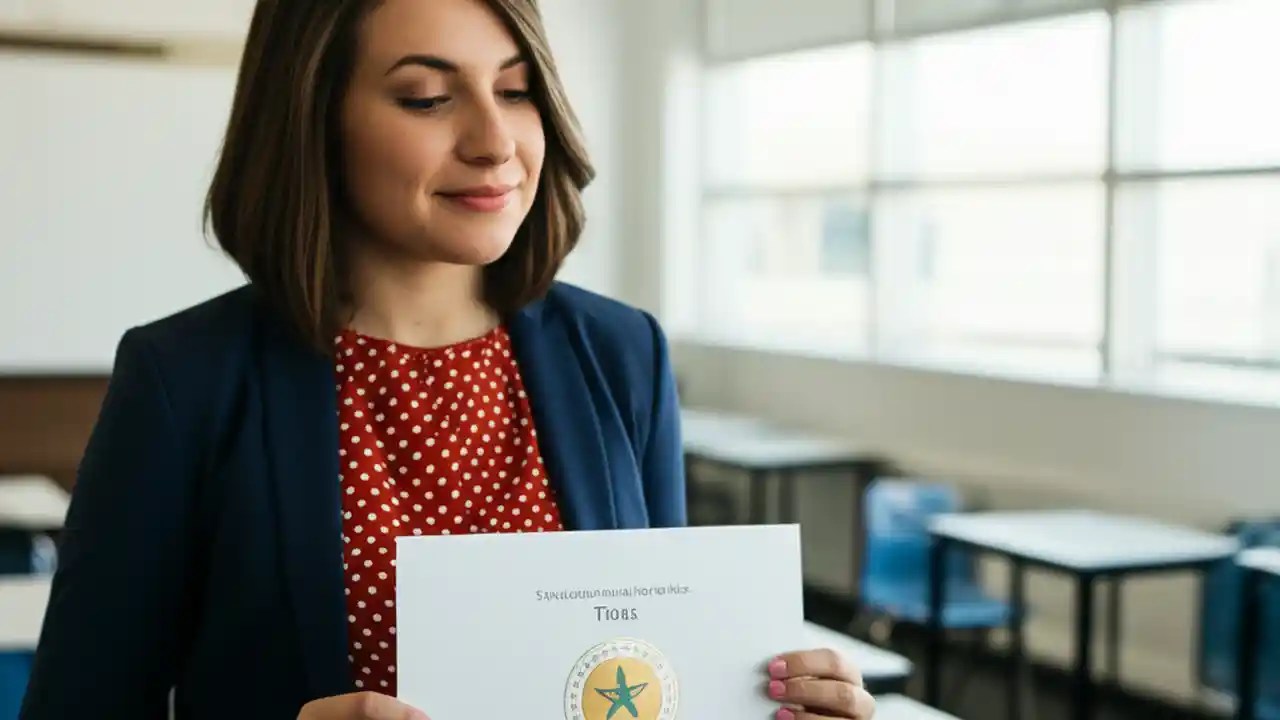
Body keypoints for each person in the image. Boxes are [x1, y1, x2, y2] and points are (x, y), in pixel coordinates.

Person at [19, 0, 876, 718]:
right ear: (312, 117)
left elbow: (652, 669)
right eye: (427, 98)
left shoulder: (622, 355)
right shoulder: (185, 379)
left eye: (516, 89)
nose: (495, 141)